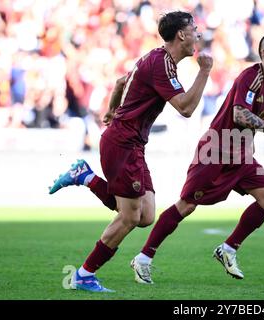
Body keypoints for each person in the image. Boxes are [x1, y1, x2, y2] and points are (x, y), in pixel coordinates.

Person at [48, 11, 213, 292]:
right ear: (181, 35)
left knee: (145, 215)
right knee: (129, 217)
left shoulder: (156, 58)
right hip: (123, 143)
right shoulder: (161, 64)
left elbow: (121, 83)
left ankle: (85, 176)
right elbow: (185, 108)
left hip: (131, 143)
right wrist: (205, 71)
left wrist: (112, 109)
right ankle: (83, 275)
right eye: (194, 29)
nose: (198, 33)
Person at [133, 33, 264, 283]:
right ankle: (143, 258)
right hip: (215, 151)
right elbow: (240, 114)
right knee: (187, 205)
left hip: (242, 155)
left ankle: (229, 249)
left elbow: (249, 123)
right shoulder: (250, 77)